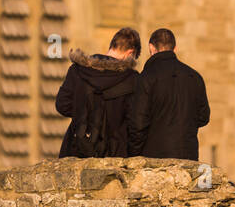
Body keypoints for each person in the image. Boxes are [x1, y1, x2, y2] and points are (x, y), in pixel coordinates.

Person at [56, 27, 141, 158]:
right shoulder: (132, 79)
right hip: (115, 153)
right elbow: (134, 121)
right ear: (130, 53)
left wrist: (85, 114)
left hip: (78, 148)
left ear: (112, 45)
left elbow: (62, 105)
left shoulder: (77, 70)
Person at [128, 28, 210, 160]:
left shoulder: (147, 77)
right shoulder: (194, 77)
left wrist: (134, 154)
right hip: (188, 155)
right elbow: (204, 117)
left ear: (151, 47)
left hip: (155, 157)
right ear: (174, 48)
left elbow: (138, 123)